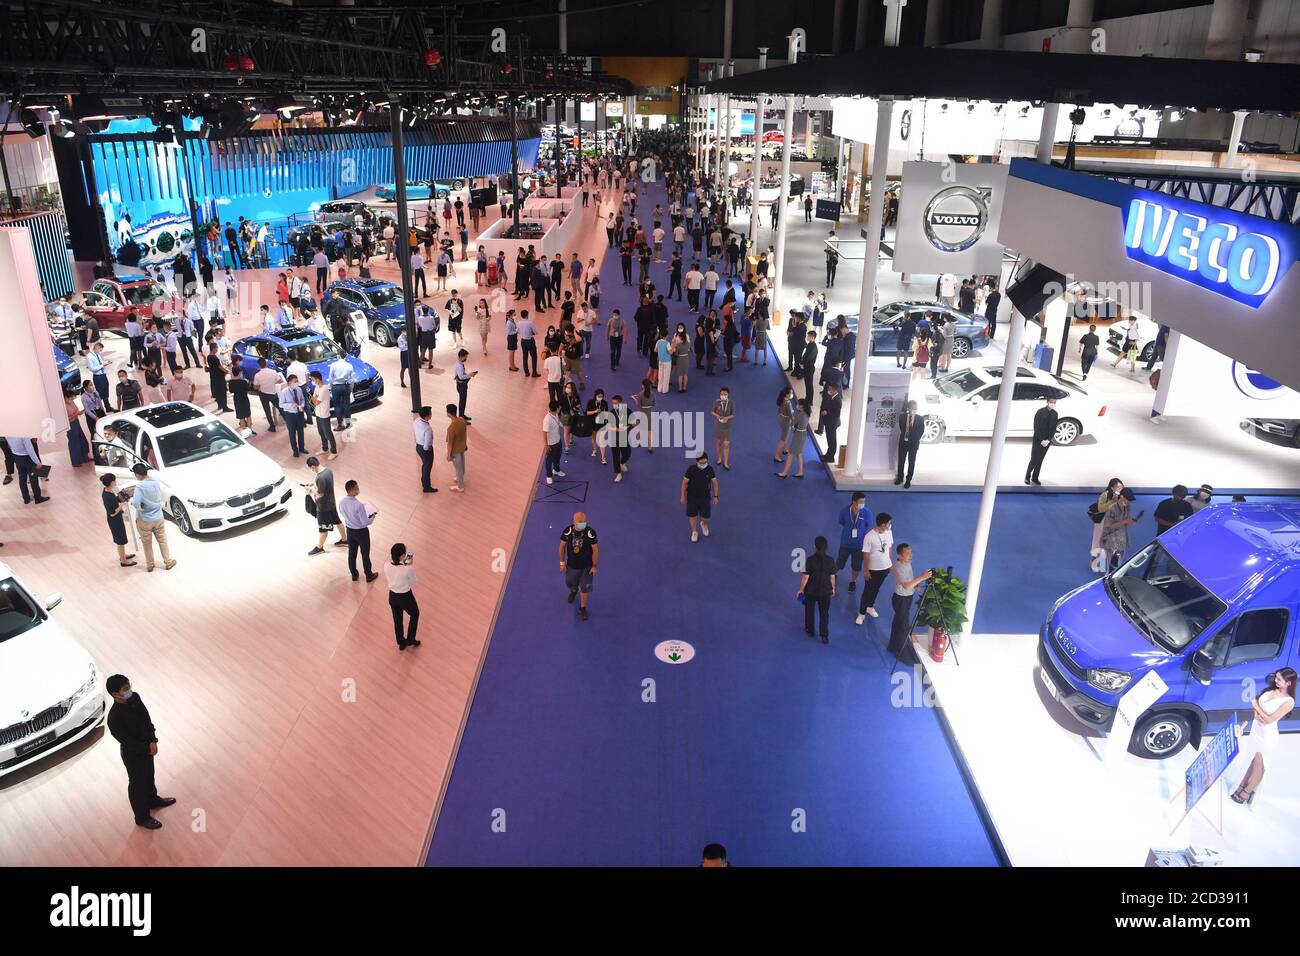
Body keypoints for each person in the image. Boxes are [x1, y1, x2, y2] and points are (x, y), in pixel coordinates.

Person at [105, 674, 176, 829]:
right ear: (115, 694)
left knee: (149, 775)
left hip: (147, 746)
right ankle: (142, 817)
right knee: (137, 784)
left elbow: (146, 719)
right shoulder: (114, 718)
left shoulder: (135, 698)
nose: (129, 690)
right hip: (133, 754)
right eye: (125, 689)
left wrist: (153, 740)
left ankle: (152, 800)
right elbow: (127, 741)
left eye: (129, 686)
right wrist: (146, 748)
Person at [1232, 668, 1296, 805]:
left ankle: (1247, 792)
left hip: (1267, 736)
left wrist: (1256, 706)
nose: (1276, 681)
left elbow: (1269, 720)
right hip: (1256, 730)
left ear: (1289, 683)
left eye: (1279, 679)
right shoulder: (1270, 690)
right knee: (1250, 760)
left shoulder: (1288, 701)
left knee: (1258, 765)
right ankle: (1242, 784)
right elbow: (1259, 713)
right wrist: (1257, 711)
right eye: (1276, 677)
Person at [887, 545, 933, 659]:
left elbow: (910, 582)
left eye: (911, 552)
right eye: (908, 553)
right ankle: (904, 655)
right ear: (900, 555)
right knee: (903, 626)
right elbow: (906, 585)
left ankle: (893, 646)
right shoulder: (898, 567)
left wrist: (917, 584)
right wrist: (922, 577)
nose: (911, 555)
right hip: (901, 600)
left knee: (898, 623)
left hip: (907, 598)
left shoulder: (907, 563)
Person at [130, 463, 175, 571]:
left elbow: (135, 502)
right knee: (162, 540)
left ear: (137, 475)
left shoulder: (139, 487)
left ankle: (150, 565)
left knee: (147, 543)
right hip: (158, 517)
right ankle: (168, 561)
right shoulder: (155, 480)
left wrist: (139, 508)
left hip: (145, 520)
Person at [855, 513, 895, 624]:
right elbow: (866, 555)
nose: (889, 525)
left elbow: (890, 548)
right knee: (867, 591)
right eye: (888, 523)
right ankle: (862, 613)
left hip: (885, 568)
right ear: (882, 524)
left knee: (877, 588)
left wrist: (890, 562)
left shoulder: (889, 533)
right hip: (873, 569)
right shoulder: (869, 536)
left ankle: (870, 607)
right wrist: (866, 570)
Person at [797, 536, 837, 643]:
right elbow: (832, 576)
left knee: (809, 610)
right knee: (824, 613)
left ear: (814, 546)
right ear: (826, 547)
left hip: (811, 591)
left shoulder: (810, 560)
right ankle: (824, 635)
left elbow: (806, 577)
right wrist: (833, 588)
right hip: (825, 592)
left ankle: (810, 630)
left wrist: (801, 589)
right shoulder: (830, 560)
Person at [559, 512, 598, 620]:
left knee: (585, 588)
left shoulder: (590, 532)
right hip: (572, 566)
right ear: (574, 522)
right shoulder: (568, 531)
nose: (583, 524)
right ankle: (574, 590)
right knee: (570, 583)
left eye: (584, 522)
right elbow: (562, 546)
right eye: (580, 523)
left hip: (586, 567)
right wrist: (562, 563)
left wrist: (594, 565)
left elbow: (595, 549)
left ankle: (583, 608)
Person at [338, 480, 379, 582]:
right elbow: (365, 522)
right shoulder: (359, 505)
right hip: (361, 532)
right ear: (351, 490)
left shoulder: (342, 502)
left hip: (350, 531)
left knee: (352, 553)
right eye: (356, 488)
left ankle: (354, 574)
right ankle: (369, 575)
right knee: (365, 554)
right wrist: (372, 517)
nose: (358, 489)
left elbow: (342, 513)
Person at [305, 456, 346, 556]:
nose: (311, 470)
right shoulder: (328, 471)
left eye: (310, 468)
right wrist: (314, 485)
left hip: (323, 507)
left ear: (313, 467)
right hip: (331, 503)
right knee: (337, 521)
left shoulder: (320, 477)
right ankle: (345, 540)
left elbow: (320, 494)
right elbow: (325, 486)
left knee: (323, 529)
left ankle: (320, 547)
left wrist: (310, 490)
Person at [385, 543, 422, 650]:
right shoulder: (407, 569)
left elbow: (397, 568)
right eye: (404, 554)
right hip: (405, 596)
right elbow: (413, 580)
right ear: (401, 556)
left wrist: (405, 565)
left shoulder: (386, 566)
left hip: (392, 597)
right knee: (415, 614)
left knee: (397, 620)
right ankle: (411, 639)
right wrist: (409, 565)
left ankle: (401, 642)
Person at [836, 492, 873, 593]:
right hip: (845, 543)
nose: (863, 504)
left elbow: (868, 526)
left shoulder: (867, 513)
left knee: (856, 566)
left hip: (860, 545)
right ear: (854, 502)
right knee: (839, 563)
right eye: (861, 502)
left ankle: (853, 582)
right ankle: (833, 575)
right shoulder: (844, 511)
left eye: (864, 502)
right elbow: (842, 522)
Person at [682, 452, 720, 543]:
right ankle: (694, 531)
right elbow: (684, 483)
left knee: (707, 517)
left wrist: (716, 496)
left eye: (705, 462)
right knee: (692, 515)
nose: (704, 464)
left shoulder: (710, 469)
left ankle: (703, 524)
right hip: (692, 497)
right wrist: (683, 496)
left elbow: (715, 483)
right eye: (702, 463)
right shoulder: (691, 470)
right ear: (697, 461)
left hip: (705, 498)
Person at [100, 474, 137, 567]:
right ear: (112, 482)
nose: (116, 481)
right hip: (115, 521)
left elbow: (114, 501)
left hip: (117, 519)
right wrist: (122, 504)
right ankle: (123, 561)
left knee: (121, 539)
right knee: (120, 541)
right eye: (115, 480)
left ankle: (123, 556)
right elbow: (112, 512)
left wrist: (121, 496)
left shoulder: (108, 491)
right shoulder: (107, 496)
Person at [1099, 487, 1138, 571]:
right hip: (1111, 539)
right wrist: (1125, 521)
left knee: (1119, 561)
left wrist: (1130, 521)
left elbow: (1126, 520)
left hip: (1122, 538)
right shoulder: (1112, 508)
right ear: (1122, 497)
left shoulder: (1127, 507)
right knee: (1110, 562)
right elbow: (1109, 526)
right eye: (1127, 499)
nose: (1128, 502)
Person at [1089, 478, 1125, 570]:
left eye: (1121, 486)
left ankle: (1113, 566)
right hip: (1102, 522)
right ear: (1112, 487)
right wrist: (1111, 502)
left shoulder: (1122, 496)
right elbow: (1101, 509)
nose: (1120, 488)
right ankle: (1094, 562)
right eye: (1118, 487)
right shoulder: (1104, 495)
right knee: (1098, 542)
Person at [1025, 397, 1058, 486]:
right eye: (1051, 402)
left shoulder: (1055, 414)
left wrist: (1048, 439)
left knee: (1040, 460)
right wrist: (1041, 439)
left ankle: (1035, 478)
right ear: (1047, 402)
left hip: (1047, 441)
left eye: (1054, 402)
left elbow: (1054, 428)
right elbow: (1036, 427)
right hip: (1037, 439)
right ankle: (1027, 476)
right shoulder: (1040, 412)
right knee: (1034, 459)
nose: (1053, 404)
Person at [776, 399, 809, 479]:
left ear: (801, 406)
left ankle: (784, 473)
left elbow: (792, 423)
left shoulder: (800, 415)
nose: (797, 405)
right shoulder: (806, 414)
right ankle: (800, 472)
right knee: (799, 453)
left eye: (798, 404)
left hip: (798, 436)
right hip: (803, 434)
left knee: (790, 454)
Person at [895, 400, 925, 489]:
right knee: (901, 461)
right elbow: (901, 428)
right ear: (908, 408)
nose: (915, 410)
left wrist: (915, 439)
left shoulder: (920, 418)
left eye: (916, 408)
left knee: (911, 462)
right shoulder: (902, 417)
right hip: (903, 442)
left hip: (913, 444)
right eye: (913, 408)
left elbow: (921, 431)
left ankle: (908, 480)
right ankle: (900, 478)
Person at [279, 374, 308, 458]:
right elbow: (281, 404)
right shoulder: (284, 392)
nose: (297, 383)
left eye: (297, 381)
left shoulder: (298, 389)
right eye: (295, 381)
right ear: (289, 383)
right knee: (292, 433)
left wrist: (302, 406)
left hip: (299, 413)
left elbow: (302, 399)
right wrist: (291, 405)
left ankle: (302, 448)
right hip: (290, 415)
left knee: (301, 432)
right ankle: (295, 450)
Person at [309, 371, 336, 459]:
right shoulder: (317, 387)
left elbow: (315, 402)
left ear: (317, 379)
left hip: (324, 415)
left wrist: (314, 398)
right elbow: (313, 399)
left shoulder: (324, 389)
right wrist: (314, 398)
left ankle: (334, 451)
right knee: (321, 432)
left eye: (313, 379)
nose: (312, 381)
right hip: (318, 414)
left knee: (328, 433)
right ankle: (325, 449)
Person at [252, 357, 283, 432]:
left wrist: (261, 385)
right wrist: (273, 382)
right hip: (273, 393)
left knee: (267, 411)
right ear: (266, 363)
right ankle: (289, 423)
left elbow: (255, 387)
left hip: (263, 394)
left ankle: (272, 427)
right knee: (280, 408)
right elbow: (280, 381)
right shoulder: (273, 372)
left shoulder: (257, 375)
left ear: (259, 365)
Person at [413, 406, 437, 493]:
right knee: (427, 467)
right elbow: (426, 446)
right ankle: (426, 487)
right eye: (430, 413)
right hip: (425, 450)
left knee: (425, 465)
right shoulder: (427, 429)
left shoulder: (416, 421)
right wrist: (429, 447)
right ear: (427, 416)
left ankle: (424, 481)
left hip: (418, 447)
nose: (431, 414)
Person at [818, 382, 843, 464]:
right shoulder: (831, 397)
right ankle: (828, 454)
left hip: (832, 423)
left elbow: (836, 413)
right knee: (829, 439)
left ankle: (831, 457)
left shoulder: (837, 400)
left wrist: (827, 412)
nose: (828, 390)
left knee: (832, 440)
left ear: (834, 390)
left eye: (830, 389)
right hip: (828, 422)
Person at [445, 403, 468, 492]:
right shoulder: (462, 420)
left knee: (458, 467)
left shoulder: (451, 428)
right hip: (462, 446)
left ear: (449, 414)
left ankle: (460, 486)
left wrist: (448, 455)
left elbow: (450, 443)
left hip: (455, 450)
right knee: (462, 464)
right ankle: (460, 477)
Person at [711, 387, 735, 470]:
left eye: (725, 394)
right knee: (718, 442)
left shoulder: (731, 403)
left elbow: (733, 414)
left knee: (726, 444)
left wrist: (727, 417)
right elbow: (712, 412)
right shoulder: (716, 402)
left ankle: (725, 462)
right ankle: (719, 458)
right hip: (718, 426)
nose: (723, 396)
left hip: (727, 426)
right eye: (721, 394)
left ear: (728, 395)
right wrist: (717, 415)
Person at [228, 364, 254, 435]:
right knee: (248, 415)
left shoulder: (231, 382)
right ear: (239, 373)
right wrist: (248, 383)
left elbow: (231, 391)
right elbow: (248, 389)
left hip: (237, 400)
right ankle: (250, 431)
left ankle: (244, 432)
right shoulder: (244, 382)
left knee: (241, 417)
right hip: (244, 399)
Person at [453, 349, 476, 422]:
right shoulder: (459, 366)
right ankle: (461, 417)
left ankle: (462, 415)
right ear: (461, 357)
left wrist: (468, 374)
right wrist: (470, 375)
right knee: (462, 401)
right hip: (461, 386)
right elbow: (461, 377)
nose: (466, 358)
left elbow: (462, 374)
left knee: (463, 401)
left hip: (460, 385)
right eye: (465, 357)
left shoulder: (458, 363)